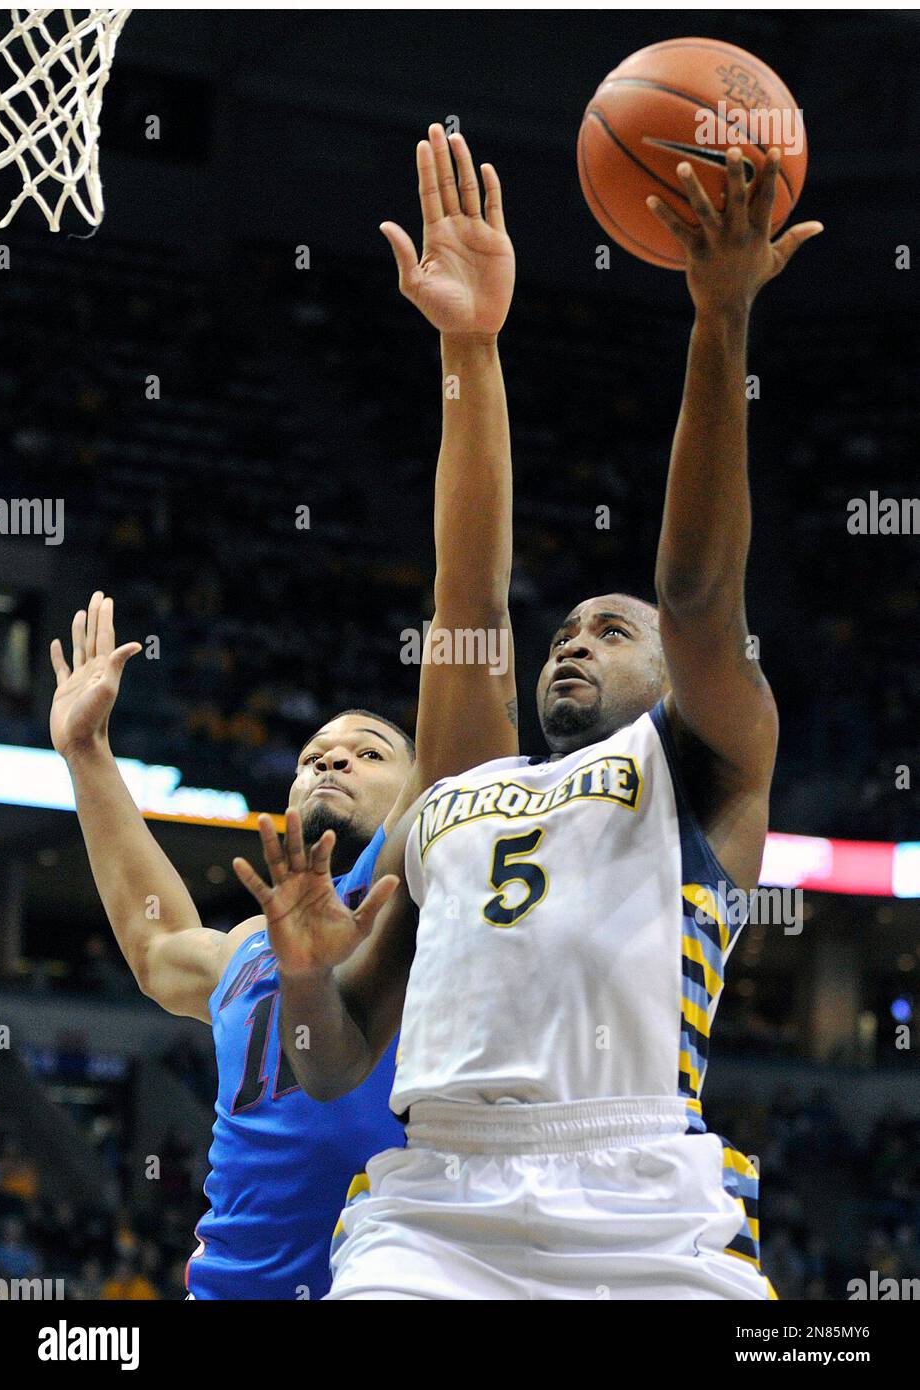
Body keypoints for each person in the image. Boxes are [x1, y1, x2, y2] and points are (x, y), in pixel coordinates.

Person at [256, 148, 822, 1299]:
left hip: (643, 1197)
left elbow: (701, 591)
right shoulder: (458, 790)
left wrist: (717, 324)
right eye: (564, 628)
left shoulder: (700, 762)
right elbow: (328, 1070)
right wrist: (468, 348)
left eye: (611, 630)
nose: (571, 639)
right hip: (436, 1207)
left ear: (677, 672)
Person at [48, 125, 519, 1299]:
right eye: (315, 750)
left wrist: (468, 354)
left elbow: (468, 601)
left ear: (421, 794)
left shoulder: (436, 892)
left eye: (366, 750)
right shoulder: (256, 948)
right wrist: (87, 753)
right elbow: (158, 941)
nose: (329, 760)